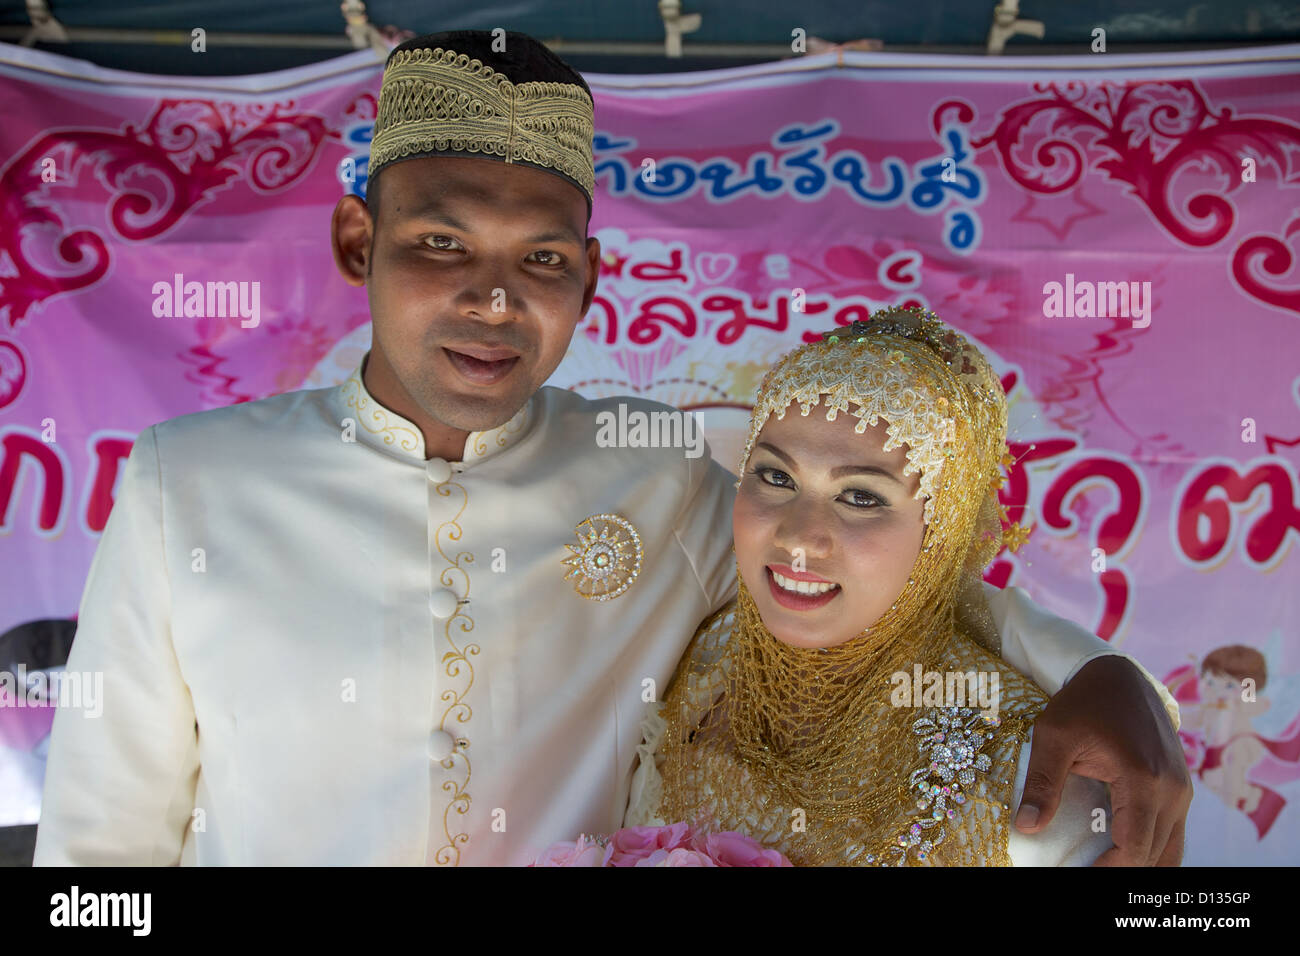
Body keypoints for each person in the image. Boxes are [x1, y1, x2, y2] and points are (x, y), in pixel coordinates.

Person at [34, 30, 1188, 867]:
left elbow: (891, 575)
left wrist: (1110, 679)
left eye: (541, 259)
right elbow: (99, 852)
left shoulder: (657, 474)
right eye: (441, 241)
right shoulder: (189, 480)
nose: (492, 299)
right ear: (357, 238)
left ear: (585, 279)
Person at [627, 309, 1145, 864]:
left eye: (862, 498)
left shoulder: (1032, 769)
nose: (800, 538)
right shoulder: (689, 658)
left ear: (939, 537)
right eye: (777, 477)